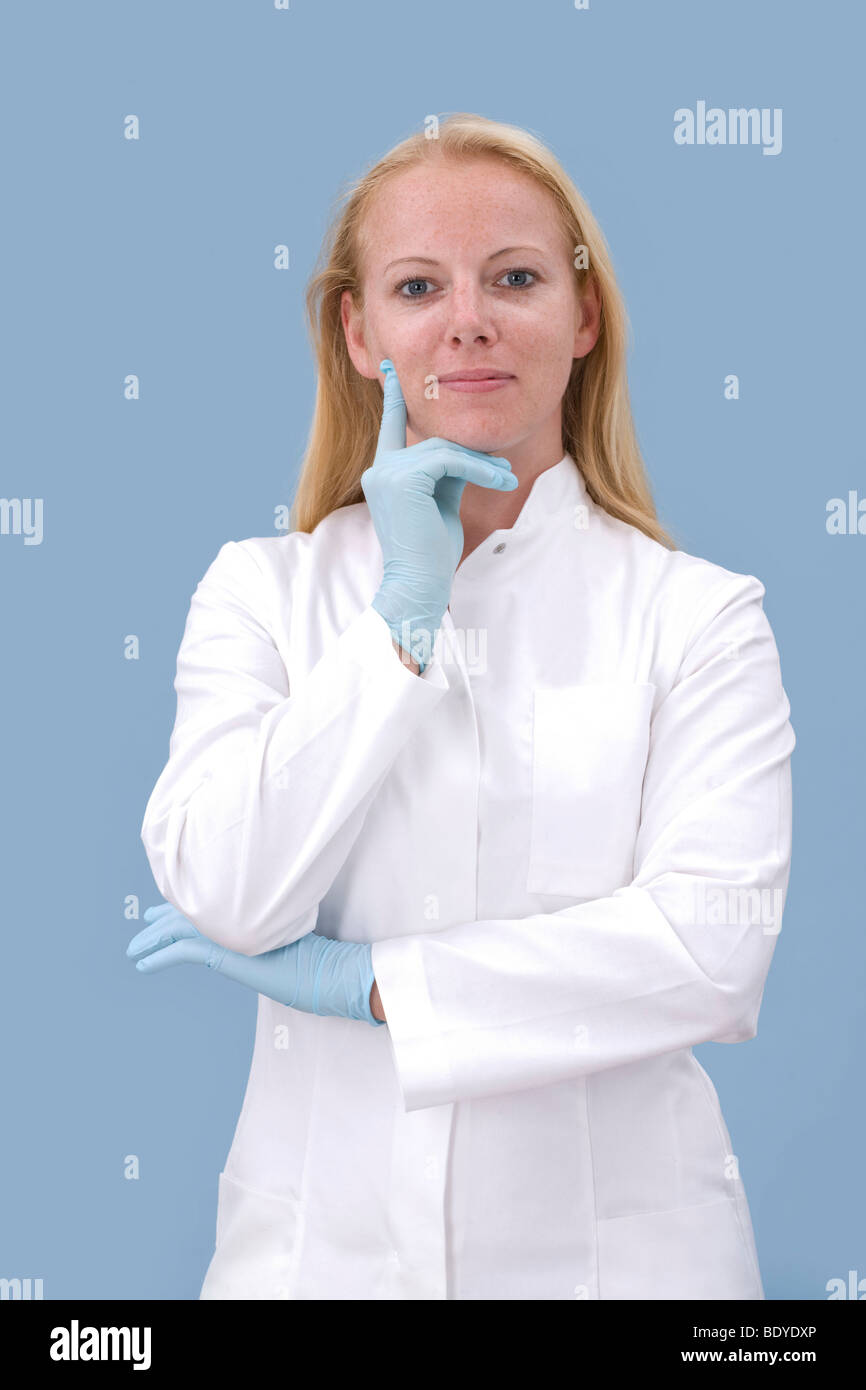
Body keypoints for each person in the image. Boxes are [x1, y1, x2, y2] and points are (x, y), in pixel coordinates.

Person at [132, 113, 794, 1300]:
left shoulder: (696, 617)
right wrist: (395, 625)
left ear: (582, 318)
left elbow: (708, 949)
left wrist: (374, 984)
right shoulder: (261, 594)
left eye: (516, 278)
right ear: (357, 329)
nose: (468, 320)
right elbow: (229, 887)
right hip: (308, 1269)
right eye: (417, 285)